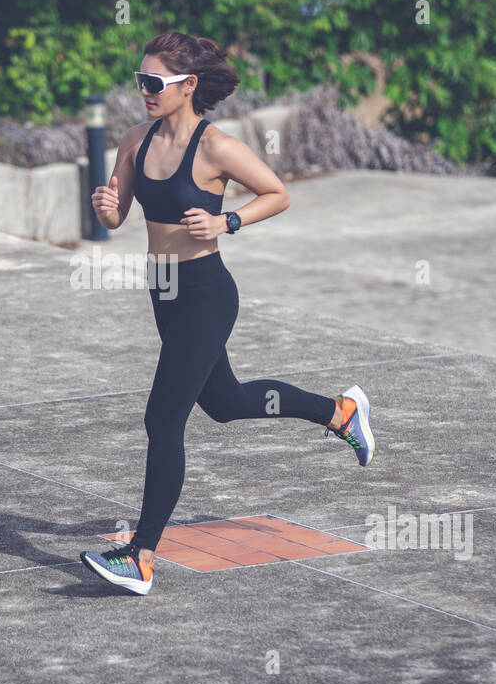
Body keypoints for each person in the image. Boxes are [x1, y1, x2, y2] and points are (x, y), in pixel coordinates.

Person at [80, 30, 375, 595]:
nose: (143, 91)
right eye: (139, 81)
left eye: (154, 83)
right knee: (226, 402)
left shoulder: (216, 147)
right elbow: (119, 220)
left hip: (206, 293)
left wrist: (226, 222)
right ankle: (340, 413)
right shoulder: (134, 141)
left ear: (188, 86)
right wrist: (109, 209)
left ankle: (140, 557)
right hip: (162, 289)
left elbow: (277, 192)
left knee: (163, 419)